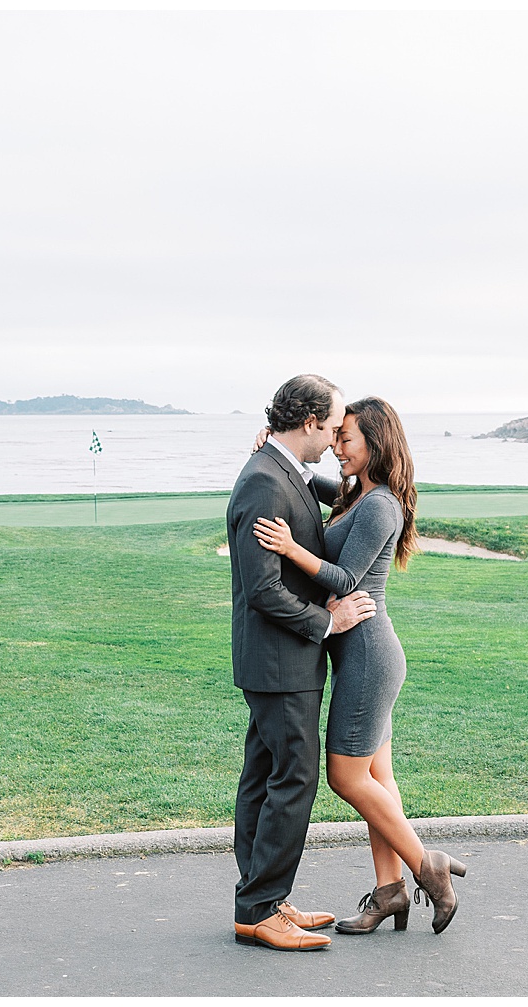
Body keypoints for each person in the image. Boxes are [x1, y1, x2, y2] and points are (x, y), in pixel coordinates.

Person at [251, 396, 467, 935]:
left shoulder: (379, 505)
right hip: (362, 654)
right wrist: (275, 452)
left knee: (345, 777)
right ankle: (391, 891)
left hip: (368, 655)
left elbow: (346, 580)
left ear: (375, 443)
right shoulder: (356, 496)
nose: (335, 447)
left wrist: (291, 550)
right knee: (377, 779)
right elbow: (307, 486)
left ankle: (428, 867)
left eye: (346, 439)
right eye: (334, 435)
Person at [227, 374, 378, 952]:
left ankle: (262, 901)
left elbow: (329, 490)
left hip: (278, 662)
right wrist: (329, 622)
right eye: (335, 425)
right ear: (311, 421)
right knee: (292, 779)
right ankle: (260, 909)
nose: (338, 435)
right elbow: (264, 590)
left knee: (265, 779)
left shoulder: (281, 469)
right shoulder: (266, 482)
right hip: (280, 661)